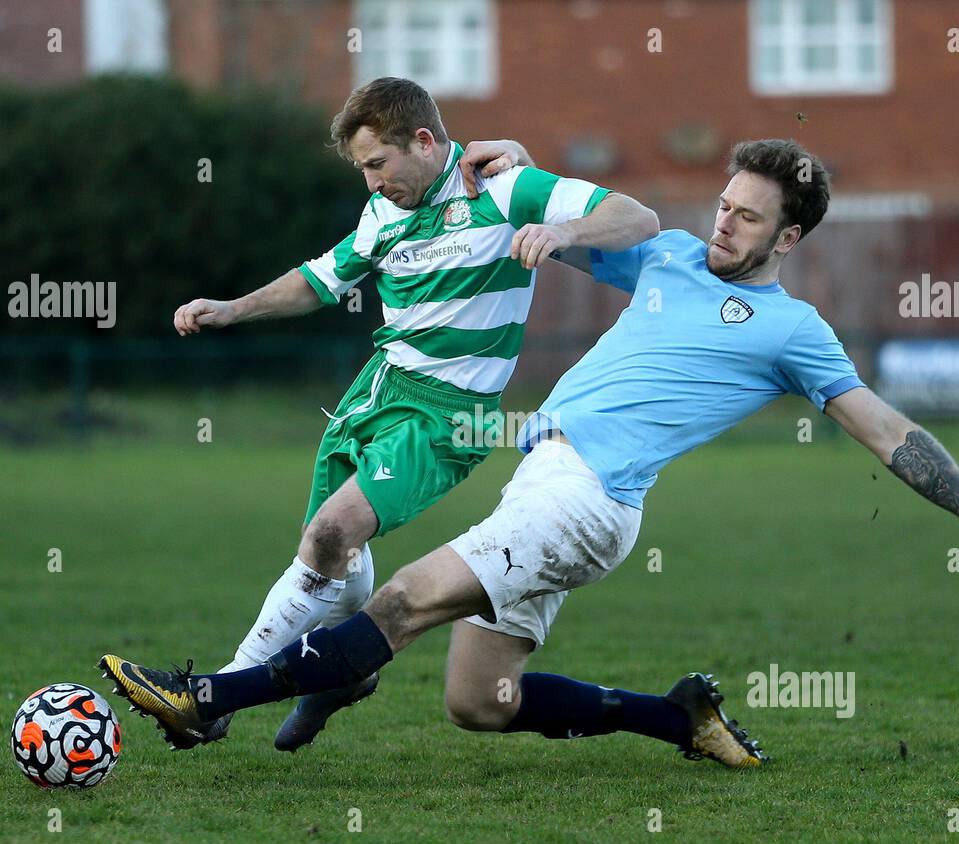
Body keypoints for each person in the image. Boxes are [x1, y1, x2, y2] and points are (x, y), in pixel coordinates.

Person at [102, 138, 959, 768]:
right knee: (477, 704)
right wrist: (515, 170)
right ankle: (677, 721)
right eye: (725, 201)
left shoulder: (793, 330)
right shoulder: (663, 255)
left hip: (586, 497)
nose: (725, 219)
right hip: (552, 482)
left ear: (788, 235)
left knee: (399, 598)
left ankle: (207, 699)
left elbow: (888, 430)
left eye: (748, 215)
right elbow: (576, 215)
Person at [167, 76, 657, 746]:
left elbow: (639, 217)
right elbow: (319, 279)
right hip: (379, 391)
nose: (370, 182)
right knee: (326, 547)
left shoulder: (505, 188)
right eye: (362, 168)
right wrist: (232, 309)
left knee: (334, 530)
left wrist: (562, 228)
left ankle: (217, 695)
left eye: (377, 164)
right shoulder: (383, 213)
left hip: (454, 415)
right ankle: (343, 678)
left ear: (423, 141)